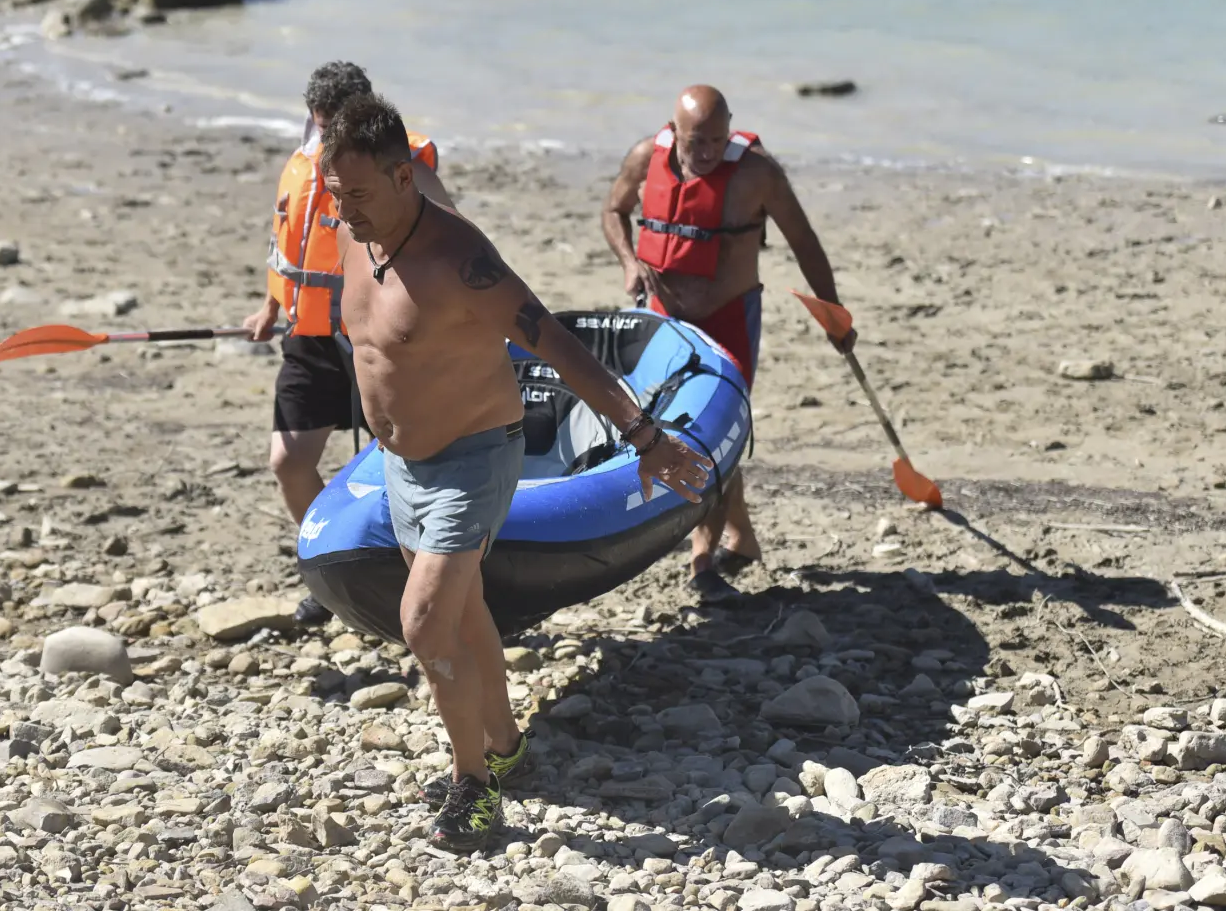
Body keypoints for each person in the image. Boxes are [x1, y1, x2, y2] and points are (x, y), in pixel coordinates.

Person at [321, 93, 713, 852]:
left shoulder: (462, 265)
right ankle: (504, 744)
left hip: (473, 457)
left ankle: (474, 789)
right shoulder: (355, 232)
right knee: (462, 615)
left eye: (360, 194)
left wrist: (644, 437)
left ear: (405, 177)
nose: (345, 210)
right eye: (337, 195)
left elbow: (561, 348)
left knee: (425, 621)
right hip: (403, 462)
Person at [601, 85, 854, 606]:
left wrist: (833, 314)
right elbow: (613, 211)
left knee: (715, 433)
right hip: (664, 316)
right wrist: (630, 261)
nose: (708, 152)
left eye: (718, 139)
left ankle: (702, 558)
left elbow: (805, 242)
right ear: (674, 131)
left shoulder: (757, 174)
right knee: (665, 429)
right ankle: (743, 537)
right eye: (697, 142)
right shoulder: (646, 156)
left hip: (730, 317)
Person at [242, 62, 455, 625]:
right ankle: (332, 566)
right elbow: (285, 239)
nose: (322, 139)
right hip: (309, 334)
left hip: (376, 342)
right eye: (316, 125)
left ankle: (418, 585)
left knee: (400, 467)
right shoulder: (303, 161)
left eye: (332, 126)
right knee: (289, 460)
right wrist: (269, 305)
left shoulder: (401, 163)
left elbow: (450, 233)